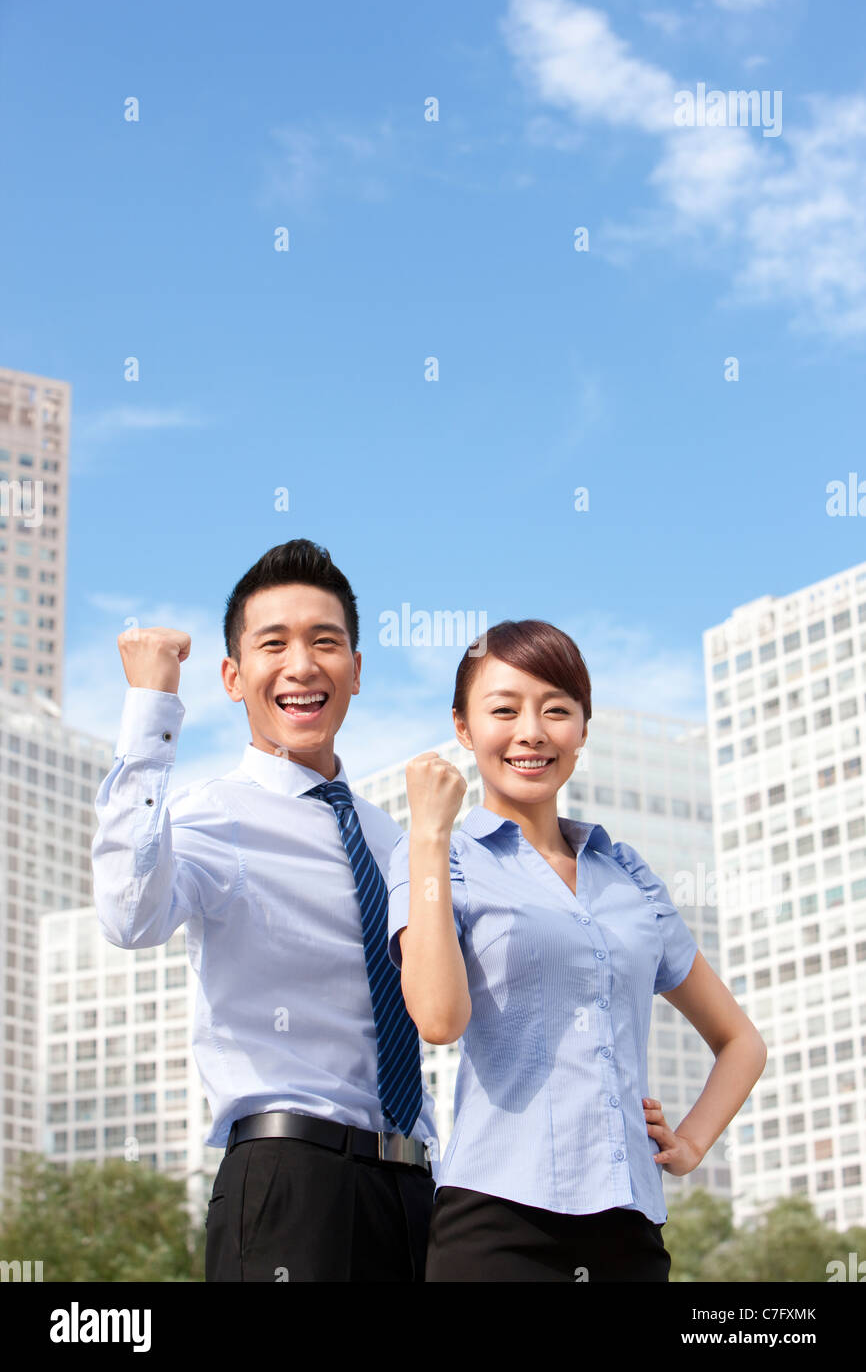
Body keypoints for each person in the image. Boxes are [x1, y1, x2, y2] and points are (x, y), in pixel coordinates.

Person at [91, 538, 438, 1282]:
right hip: (290, 1187)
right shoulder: (214, 816)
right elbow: (128, 915)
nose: (303, 665)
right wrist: (150, 705)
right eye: (272, 644)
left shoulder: (394, 838)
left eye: (326, 642)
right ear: (232, 675)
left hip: (418, 1194)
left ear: (356, 670)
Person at [387, 618, 767, 1283]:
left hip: (629, 1228)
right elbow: (439, 1019)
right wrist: (428, 834)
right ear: (463, 727)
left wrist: (692, 1141)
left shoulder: (628, 877)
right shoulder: (439, 858)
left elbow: (741, 1041)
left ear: (583, 730)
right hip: (496, 1221)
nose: (531, 731)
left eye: (556, 710)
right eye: (503, 710)